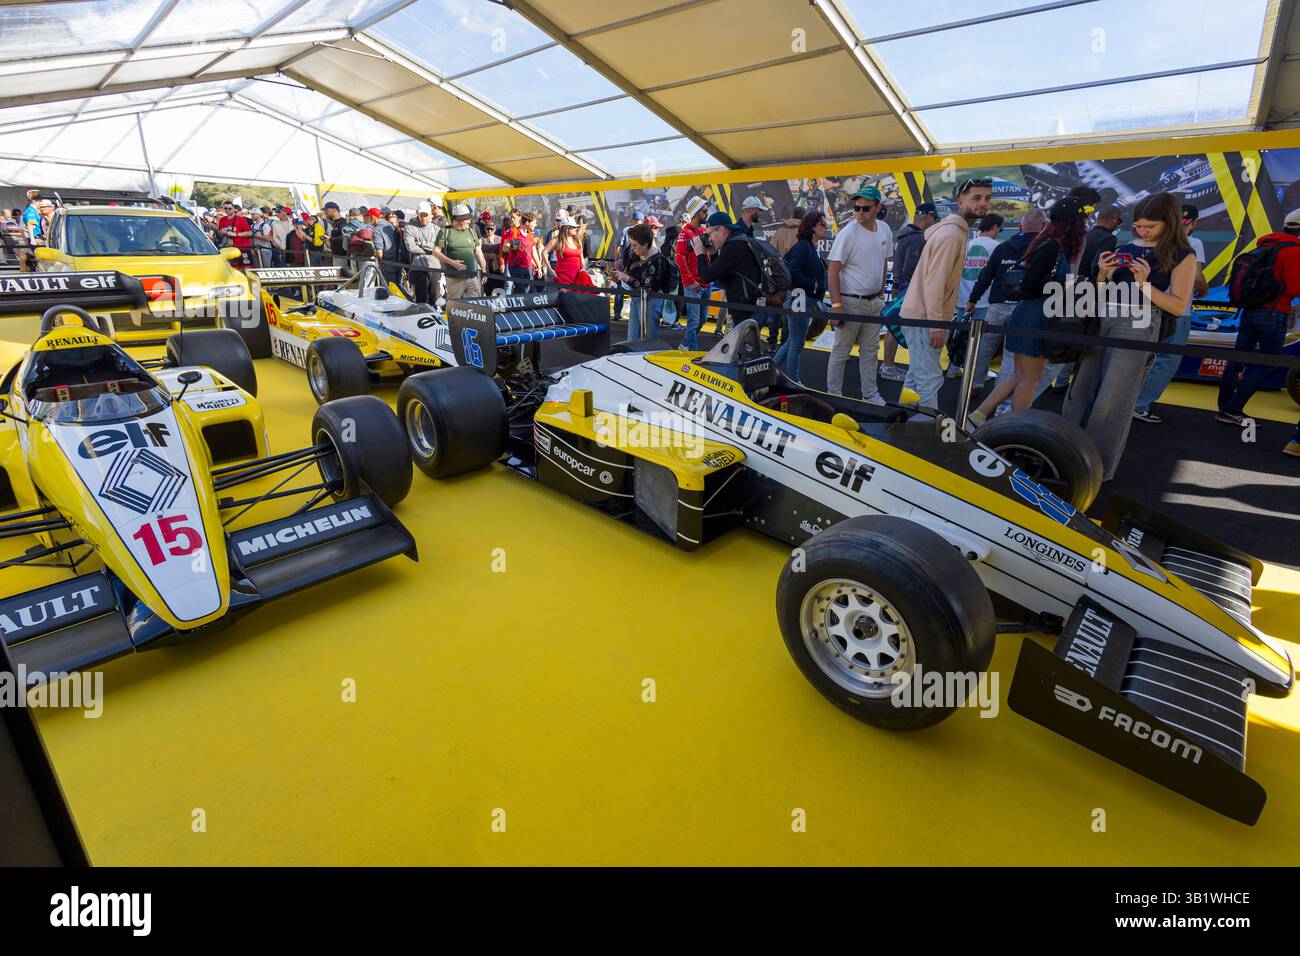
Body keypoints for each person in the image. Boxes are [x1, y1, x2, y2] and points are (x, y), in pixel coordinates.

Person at [1065, 191, 1196, 481]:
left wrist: (1144, 284)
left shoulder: (1183, 255)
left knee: (1113, 399)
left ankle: (1096, 469)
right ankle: (1064, 453)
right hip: (1103, 319)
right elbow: (1100, 296)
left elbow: (1177, 304)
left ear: (1169, 223)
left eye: (1150, 226)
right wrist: (1101, 275)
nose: (1142, 231)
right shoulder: (1126, 246)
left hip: (1140, 324)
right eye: (1138, 225)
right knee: (1081, 391)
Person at [971, 188, 1098, 424]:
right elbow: (1031, 284)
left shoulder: (1047, 243)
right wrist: (1061, 288)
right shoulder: (1053, 246)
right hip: (1036, 318)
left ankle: (978, 416)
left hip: (1028, 316)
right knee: (1030, 378)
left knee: (1020, 375)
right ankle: (1016, 427)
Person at [901, 178, 992, 408]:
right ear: (960, 200)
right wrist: (936, 325)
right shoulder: (951, 235)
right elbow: (935, 283)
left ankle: (898, 424)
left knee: (916, 378)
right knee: (929, 379)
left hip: (921, 317)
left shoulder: (955, 232)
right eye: (976, 198)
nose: (983, 203)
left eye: (987, 198)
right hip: (924, 319)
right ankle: (925, 435)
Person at [1216, 207, 1300, 424]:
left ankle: (1224, 407)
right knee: (1266, 362)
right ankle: (1234, 409)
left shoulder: (1265, 245)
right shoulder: (1294, 251)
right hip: (1274, 313)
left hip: (1250, 310)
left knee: (1238, 358)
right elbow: (1295, 287)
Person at [1132, 203, 1208, 423]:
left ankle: (1130, 401)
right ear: (1193, 222)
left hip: (1144, 307)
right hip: (1175, 310)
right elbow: (1196, 278)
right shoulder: (1192, 244)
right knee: (1167, 359)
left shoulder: (1149, 240)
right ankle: (1139, 404)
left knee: (1143, 358)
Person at [967, 207, 1046, 390]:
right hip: (1024, 308)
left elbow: (986, 276)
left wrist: (973, 300)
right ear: (1043, 227)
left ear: (1020, 226)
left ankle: (973, 385)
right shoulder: (1044, 249)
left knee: (984, 349)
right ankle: (998, 396)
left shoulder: (1003, 247)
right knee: (1010, 355)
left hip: (996, 305)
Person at [826, 186, 893, 402]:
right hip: (850, 302)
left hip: (874, 303)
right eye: (856, 208)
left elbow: (883, 261)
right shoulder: (848, 233)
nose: (859, 213)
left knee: (871, 352)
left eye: (865, 208)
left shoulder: (884, 230)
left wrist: (881, 291)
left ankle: (870, 394)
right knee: (841, 351)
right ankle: (834, 395)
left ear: (878, 207)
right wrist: (837, 306)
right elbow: (833, 269)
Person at [883, 201, 936, 380]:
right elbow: (910, 268)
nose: (934, 223)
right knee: (903, 330)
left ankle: (887, 365)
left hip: (900, 287)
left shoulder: (905, 234)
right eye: (934, 218)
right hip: (908, 289)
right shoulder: (917, 238)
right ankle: (889, 367)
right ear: (928, 217)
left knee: (895, 328)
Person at [950, 212, 1004, 380]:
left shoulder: (967, 244)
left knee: (960, 335)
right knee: (980, 340)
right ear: (995, 227)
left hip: (963, 298)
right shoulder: (996, 246)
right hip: (983, 299)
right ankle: (973, 374)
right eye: (1000, 229)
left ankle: (953, 367)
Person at [776, 211, 827, 382]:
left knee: (793, 340)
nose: (825, 228)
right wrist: (812, 284)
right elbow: (793, 272)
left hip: (802, 299)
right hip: (799, 298)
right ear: (812, 227)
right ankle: (793, 381)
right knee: (796, 343)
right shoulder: (804, 246)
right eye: (822, 224)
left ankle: (773, 369)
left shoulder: (809, 247)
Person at [690, 211, 762, 325]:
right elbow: (721, 277)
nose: (709, 239)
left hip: (745, 309)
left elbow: (706, 276)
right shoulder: (739, 240)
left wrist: (700, 254)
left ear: (721, 230)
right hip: (749, 306)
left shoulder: (733, 247)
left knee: (744, 342)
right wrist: (713, 254)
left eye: (709, 234)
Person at [620, 222, 675, 341]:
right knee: (632, 338)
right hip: (636, 299)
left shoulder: (659, 261)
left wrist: (627, 278)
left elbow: (650, 288)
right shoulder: (636, 254)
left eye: (635, 245)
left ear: (646, 244)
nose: (632, 248)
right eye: (631, 244)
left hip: (650, 302)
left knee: (649, 339)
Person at [675, 195, 711, 350]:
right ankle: (693, 353)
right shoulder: (684, 233)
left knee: (701, 320)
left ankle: (684, 344)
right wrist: (690, 281)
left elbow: (708, 255)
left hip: (705, 283)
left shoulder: (703, 231)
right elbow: (679, 259)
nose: (706, 212)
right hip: (693, 285)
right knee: (694, 322)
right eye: (704, 211)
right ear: (696, 213)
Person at [436, 203, 487, 299]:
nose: (469, 221)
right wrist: (452, 262)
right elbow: (436, 252)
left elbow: (478, 252)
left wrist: (484, 270)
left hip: (472, 277)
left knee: (476, 305)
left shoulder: (471, 231)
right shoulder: (445, 231)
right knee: (455, 306)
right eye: (467, 219)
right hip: (454, 278)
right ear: (459, 220)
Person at [404, 202, 441, 304]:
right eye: (421, 215)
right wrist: (432, 249)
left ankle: (433, 317)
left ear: (431, 215)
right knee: (421, 298)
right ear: (417, 213)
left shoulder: (437, 229)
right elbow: (411, 247)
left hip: (435, 266)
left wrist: (422, 243)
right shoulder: (409, 227)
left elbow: (440, 247)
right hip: (418, 266)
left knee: (435, 297)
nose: (424, 218)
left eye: (426, 215)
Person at [1080, 205, 1123, 281]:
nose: (1117, 225)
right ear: (1114, 219)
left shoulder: (1085, 234)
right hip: (1086, 286)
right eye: (1119, 222)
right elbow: (1098, 265)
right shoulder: (1109, 238)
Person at [544, 212, 584, 287]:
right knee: (563, 296)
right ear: (567, 229)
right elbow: (544, 252)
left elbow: (581, 254)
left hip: (577, 276)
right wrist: (550, 270)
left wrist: (583, 268)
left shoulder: (577, 239)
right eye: (574, 227)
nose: (576, 229)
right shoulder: (557, 240)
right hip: (562, 277)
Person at [500, 209, 534, 294]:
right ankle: (509, 304)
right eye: (511, 217)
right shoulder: (509, 230)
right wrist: (502, 262)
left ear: (520, 218)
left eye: (513, 217)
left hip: (527, 265)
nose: (511, 219)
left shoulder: (528, 232)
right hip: (513, 264)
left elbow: (531, 249)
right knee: (509, 284)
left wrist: (537, 265)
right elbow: (503, 247)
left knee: (526, 289)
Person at [217, 200, 252, 267]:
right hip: (228, 248)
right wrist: (221, 231)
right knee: (231, 269)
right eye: (225, 208)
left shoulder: (241, 219)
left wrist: (236, 234)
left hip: (242, 248)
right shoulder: (222, 220)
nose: (227, 210)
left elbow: (249, 233)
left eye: (230, 208)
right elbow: (220, 234)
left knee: (246, 269)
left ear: (234, 209)